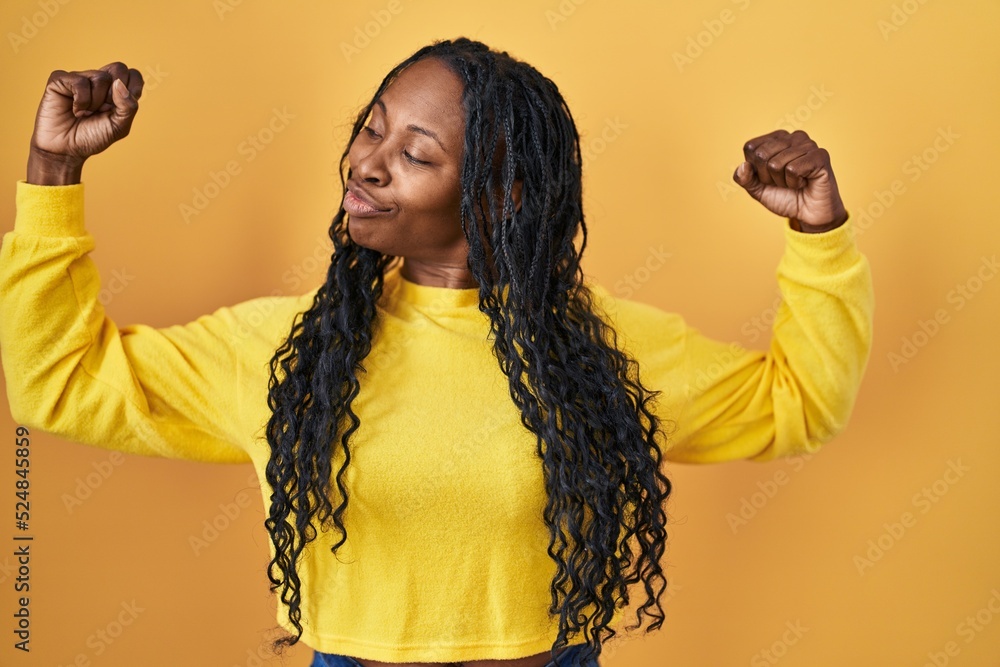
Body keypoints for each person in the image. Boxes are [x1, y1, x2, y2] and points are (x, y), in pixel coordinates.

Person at [0, 37, 873, 667]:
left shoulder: (599, 350)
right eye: (371, 130)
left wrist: (819, 235)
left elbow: (800, 403)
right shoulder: (285, 350)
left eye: (415, 154)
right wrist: (50, 171)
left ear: (501, 194)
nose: (367, 164)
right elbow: (59, 384)